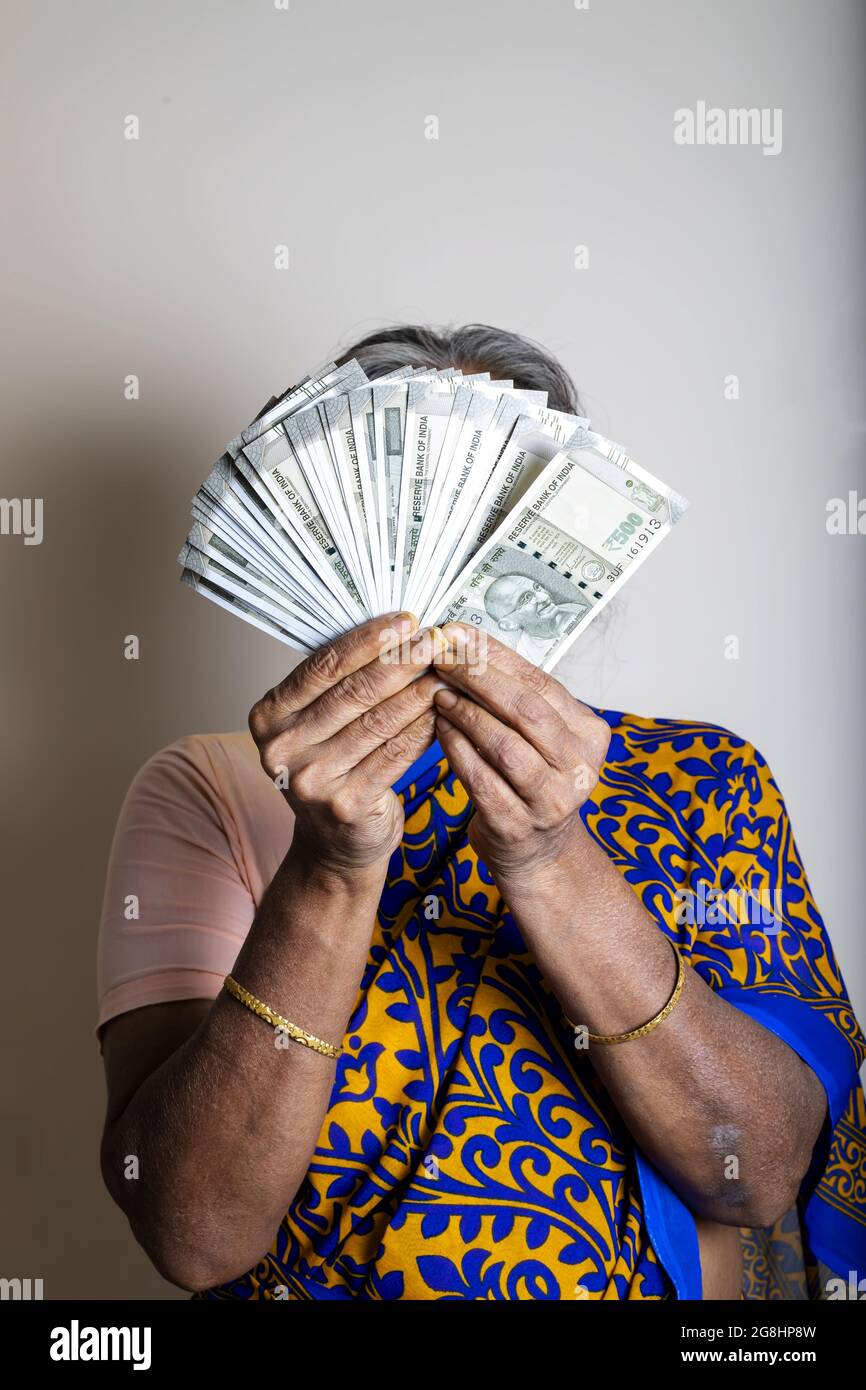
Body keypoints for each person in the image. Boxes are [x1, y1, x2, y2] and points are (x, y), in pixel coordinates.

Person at [96, 323, 866, 1301]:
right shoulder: (209, 786)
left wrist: (549, 857)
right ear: (328, 537)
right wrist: (328, 870)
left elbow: (754, 1174)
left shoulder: (703, 777)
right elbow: (192, 1230)